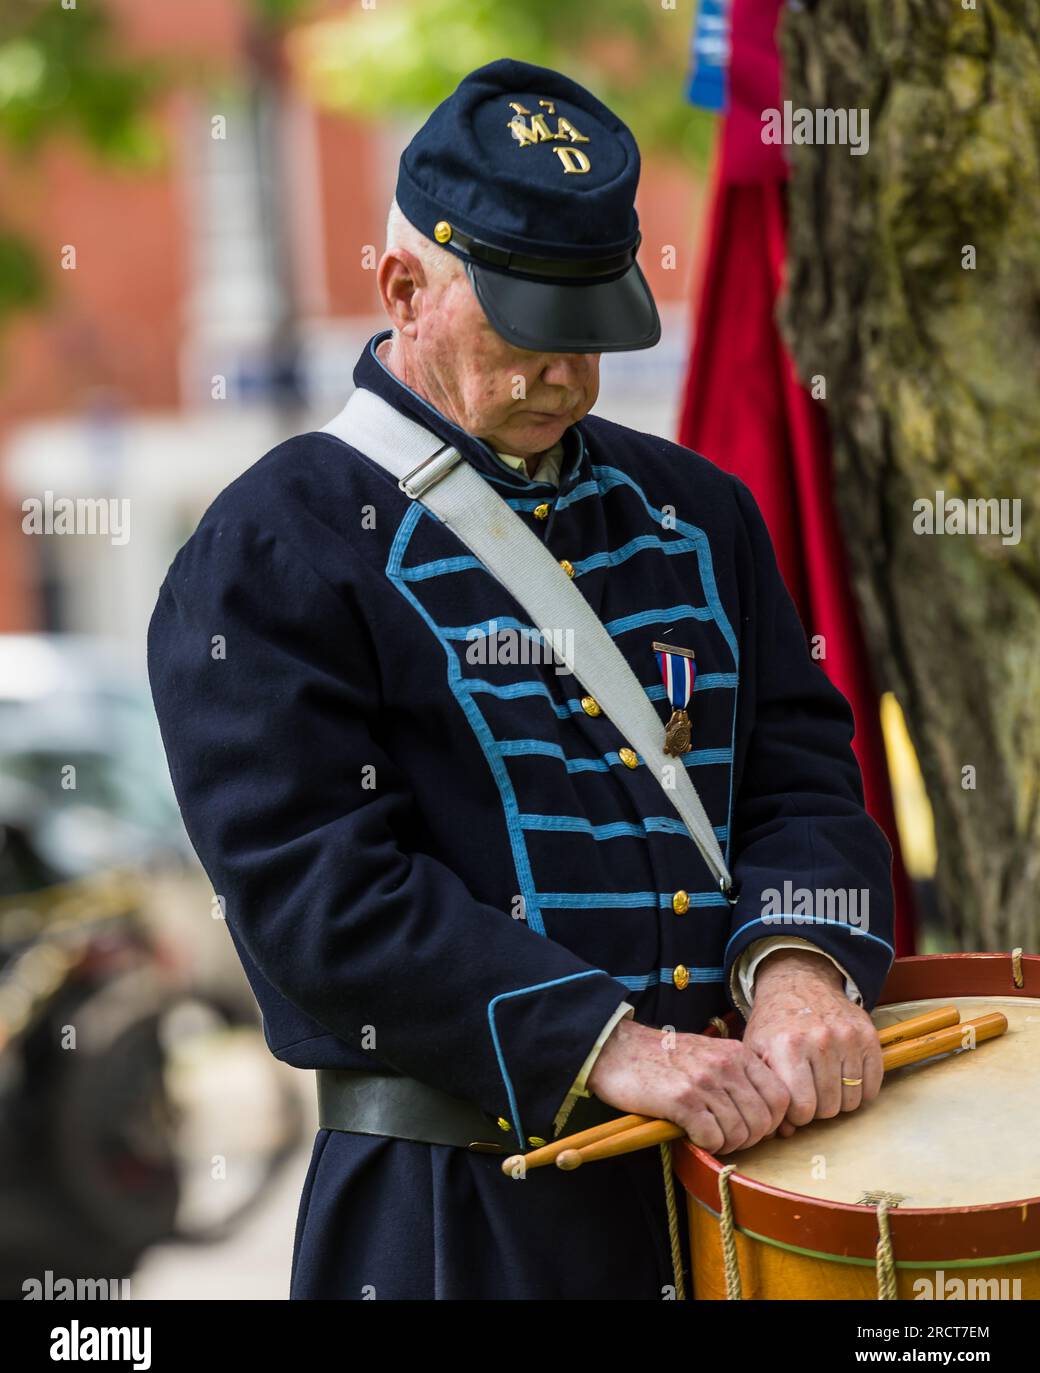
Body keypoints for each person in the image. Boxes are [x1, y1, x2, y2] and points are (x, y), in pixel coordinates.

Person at [147, 58, 895, 1300]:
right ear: (402, 288)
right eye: (530, 334)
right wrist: (603, 1040)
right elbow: (319, 892)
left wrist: (799, 969)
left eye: (592, 333)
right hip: (456, 1218)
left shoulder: (697, 511)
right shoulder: (267, 551)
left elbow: (800, 777)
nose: (568, 377)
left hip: (740, 1193)